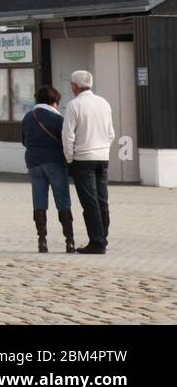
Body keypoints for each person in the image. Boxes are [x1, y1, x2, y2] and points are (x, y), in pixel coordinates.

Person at [62, 70, 115, 255]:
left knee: (90, 202)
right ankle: (103, 238)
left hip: (83, 159)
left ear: (75, 86)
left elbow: (67, 136)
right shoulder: (104, 103)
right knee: (102, 200)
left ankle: (97, 242)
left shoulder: (74, 105)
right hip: (102, 157)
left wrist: (69, 159)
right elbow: (111, 133)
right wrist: (104, 149)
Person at [20, 85, 76, 253]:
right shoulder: (58, 119)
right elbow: (66, 140)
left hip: (34, 163)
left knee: (39, 201)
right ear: (54, 102)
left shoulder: (28, 117)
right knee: (63, 200)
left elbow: (24, 140)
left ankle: (42, 240)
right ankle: (69, 240)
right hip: (55, 162)